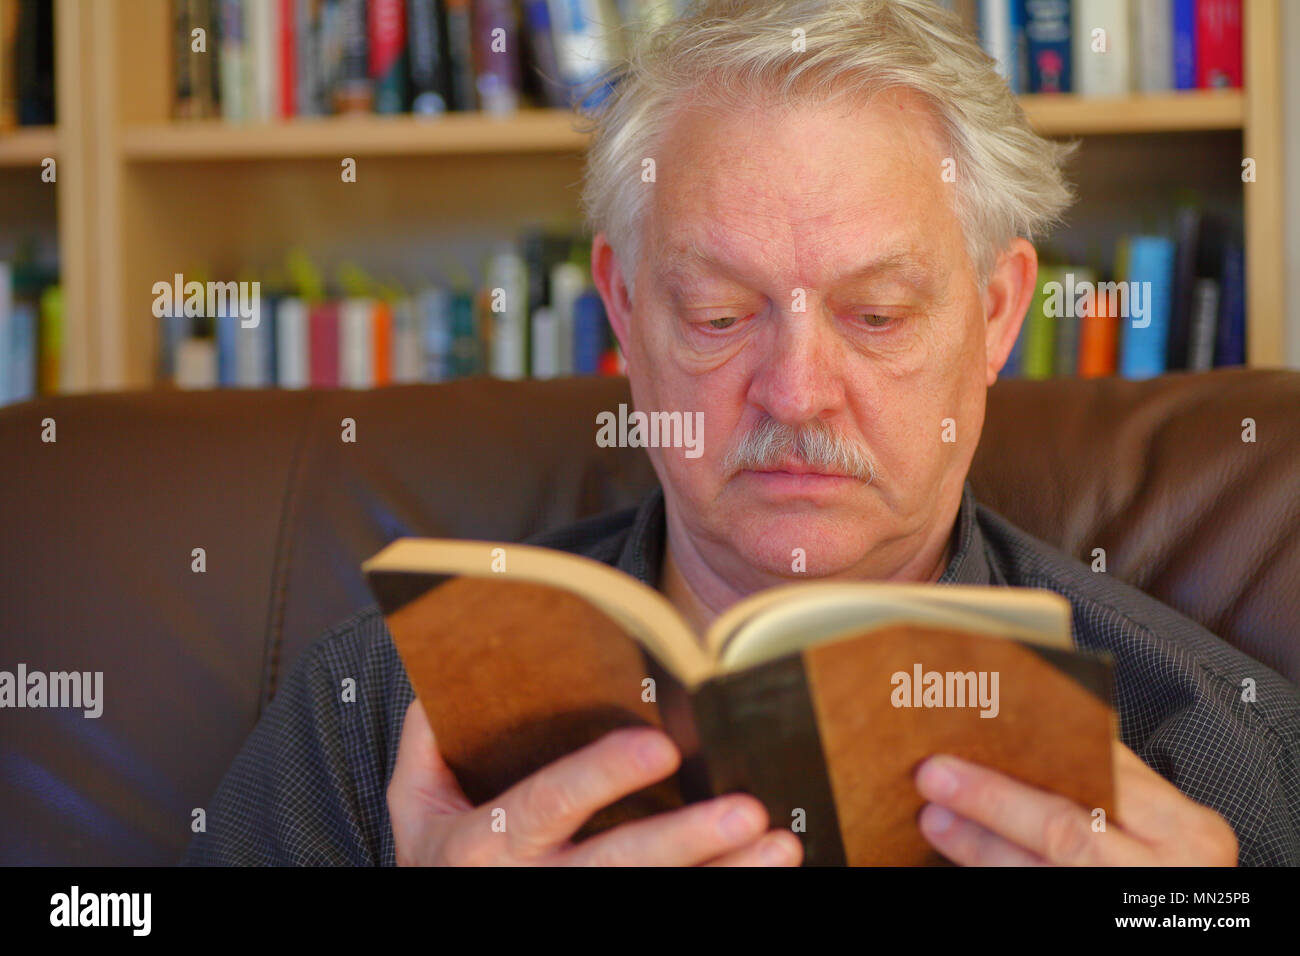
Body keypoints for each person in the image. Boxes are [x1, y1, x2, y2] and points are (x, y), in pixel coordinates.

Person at [185, 0, 1300, 867]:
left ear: (999, 312)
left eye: (877, 315)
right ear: (623, 311)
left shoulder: (1215, 757)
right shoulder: (376, 710)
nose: (797, 391)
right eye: (719, 315)